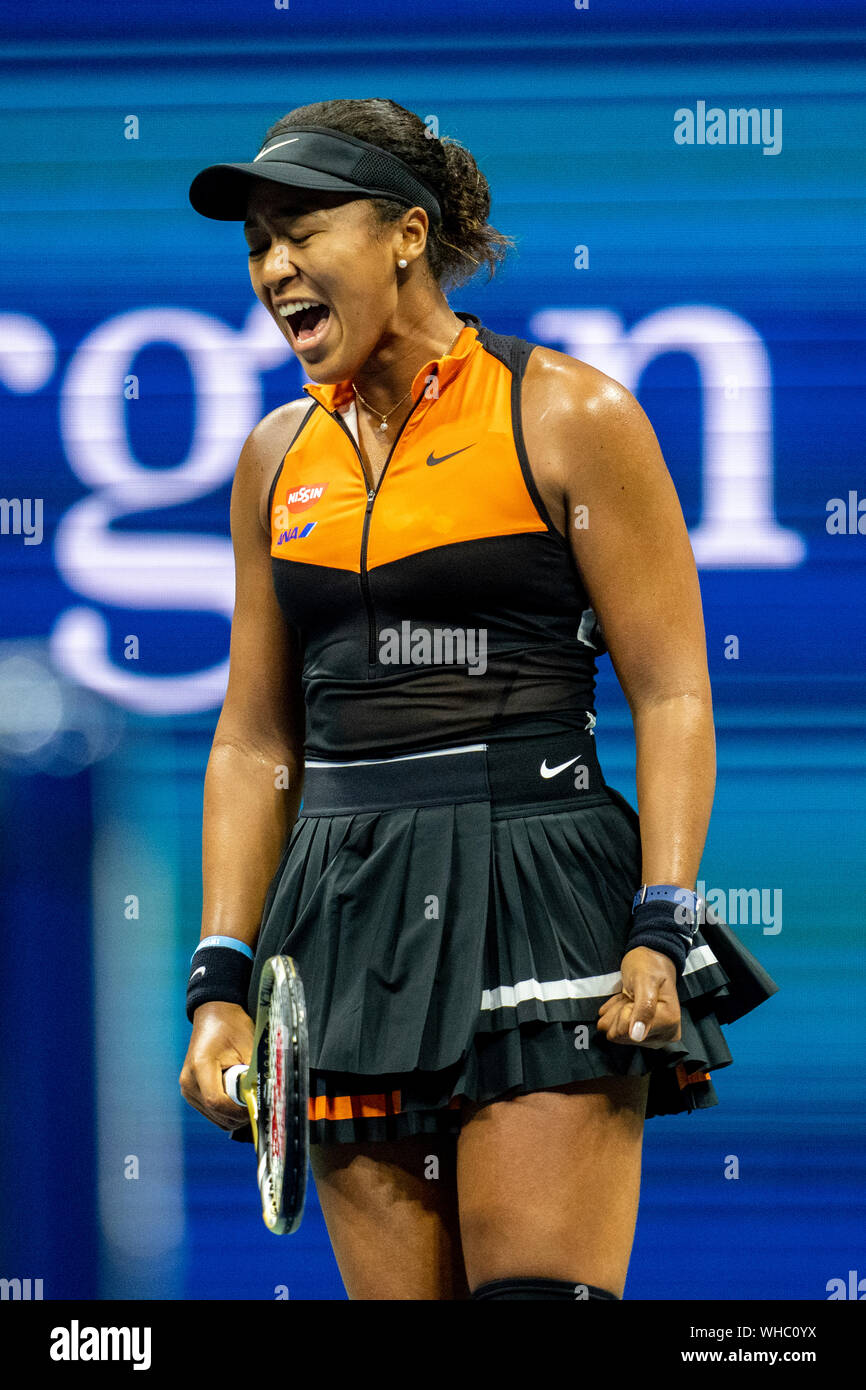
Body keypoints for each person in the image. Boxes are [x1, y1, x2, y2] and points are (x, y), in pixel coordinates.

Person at [179, 97, 778, 1301]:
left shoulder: (568, 414)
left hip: (539, 893)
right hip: (341, 918)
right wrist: (220, 984)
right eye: (256, 242)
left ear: (408, 234)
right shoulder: (270, 459)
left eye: (302, 228)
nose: (274, 266)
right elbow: (253, 741)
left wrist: (660, 925)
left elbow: (669, 690)